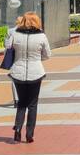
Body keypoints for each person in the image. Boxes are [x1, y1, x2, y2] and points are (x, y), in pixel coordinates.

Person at [5, 11, 51, 143]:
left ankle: (18, 128)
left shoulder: (15, 34)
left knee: (21, 102)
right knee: (32, 104)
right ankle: (29, 134)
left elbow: (8, 47)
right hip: (35, 72)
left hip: (17, 71)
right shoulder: (41, 36)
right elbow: (47, 54)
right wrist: (37, 58)